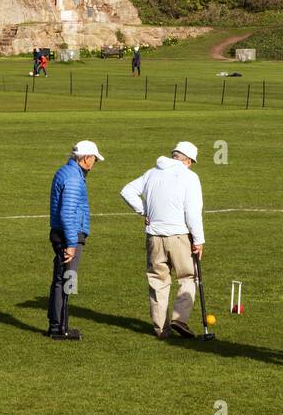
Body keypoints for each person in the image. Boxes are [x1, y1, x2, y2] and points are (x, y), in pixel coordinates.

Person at [120, 140, 204, 339]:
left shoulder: (151, 173)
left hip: (154, 236)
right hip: (179, 236)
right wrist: (199, 240)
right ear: (188, 160)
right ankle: (180, 318)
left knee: (158, 280)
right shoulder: (189, 177)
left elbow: (127, 191)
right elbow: (192, 212)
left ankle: (161, 329)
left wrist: (144, 210)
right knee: (188, 277)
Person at [46, 139, 104, 340]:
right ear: (86, 158)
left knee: (63, 278)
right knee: (67, 279)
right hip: (69, 235)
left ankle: (59, 323)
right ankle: (60, 327)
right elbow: (67, 213)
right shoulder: (73, 178)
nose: (95, 163)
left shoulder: (66, 172)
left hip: (64, 233)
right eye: (94, 159)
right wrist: (71, 244)